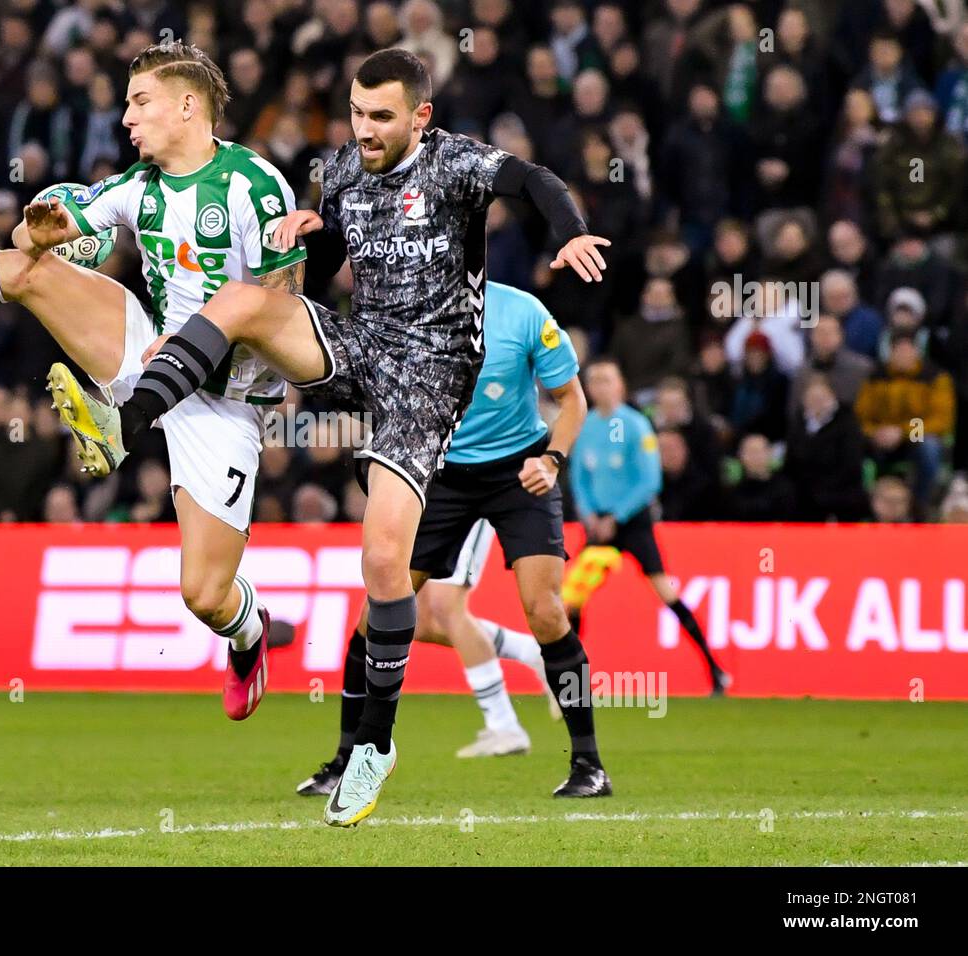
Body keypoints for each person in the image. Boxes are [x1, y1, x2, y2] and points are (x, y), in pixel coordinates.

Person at [37, 49, 608, 825]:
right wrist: (313, 240)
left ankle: (375, 746)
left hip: (429, 378)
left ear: (420, 117)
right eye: (356, 113)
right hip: (361, 345)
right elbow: (340, 256)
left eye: (380, 117)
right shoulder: (340, 172)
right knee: (244, 299)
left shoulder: (457, 165)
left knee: (384, 564)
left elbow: (536, 182)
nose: (364, 130)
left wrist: (569, 232)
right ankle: (128, 420)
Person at [0, 41, 306, 721]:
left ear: (189, 106)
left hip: (223, 400)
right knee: (31, 276)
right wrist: (38, 228)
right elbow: (27, 242)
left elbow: (282, 320)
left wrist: (202, 347)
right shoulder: (139, 186)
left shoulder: (256, 187)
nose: (127, 119)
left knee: (204, 593)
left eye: (141, 103)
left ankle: (249, 638)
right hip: (145, 354)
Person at [296, 283, 601, 797]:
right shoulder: (405, 305)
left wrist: (553, 460)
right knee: (374, 617)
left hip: (519, 471)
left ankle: (589, 765)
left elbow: (571, 400)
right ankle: (347, 760)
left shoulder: (523, 311)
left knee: (546, 611)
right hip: (437, 473)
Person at [569, 359, 731, 695]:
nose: (599, 385)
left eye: (606, 379)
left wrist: (617, 516)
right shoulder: (585, 427)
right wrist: (589, 515)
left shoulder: (636, 425)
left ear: (620, 386)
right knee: (573, 599)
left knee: (664, 591)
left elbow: (649, 481)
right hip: (599, 525)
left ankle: (714, 670)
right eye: (594, 380)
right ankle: (571, 679)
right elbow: (578, 478)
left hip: (631, 523)